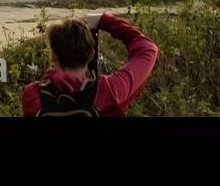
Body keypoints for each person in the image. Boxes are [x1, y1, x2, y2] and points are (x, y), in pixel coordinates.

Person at [22, 12, 158, 117]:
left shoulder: (33, 97)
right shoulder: (109, 92)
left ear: (54, 57)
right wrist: (103, 20)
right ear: (90, 55)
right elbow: (147, 48)